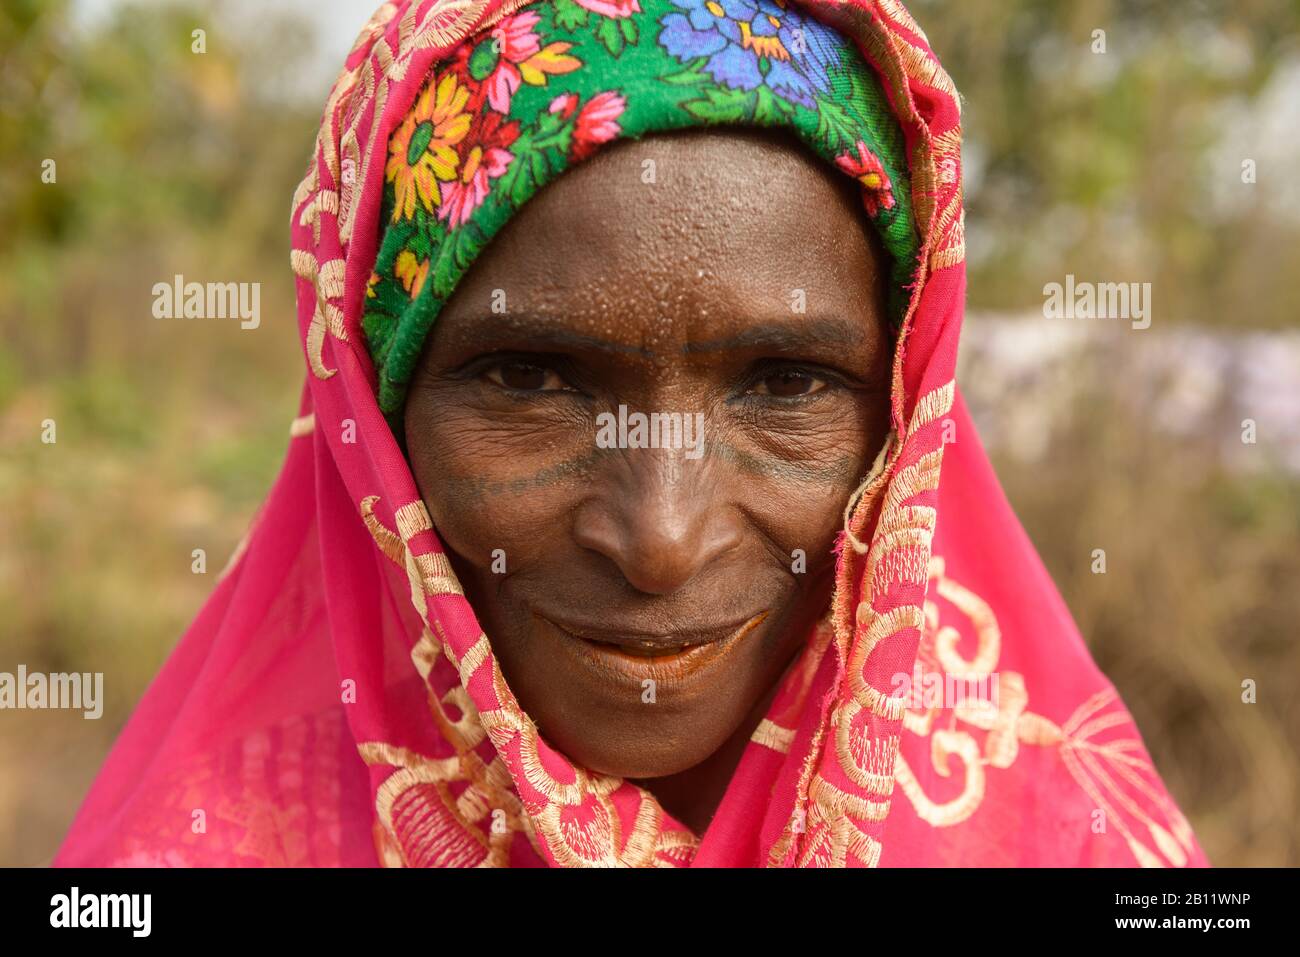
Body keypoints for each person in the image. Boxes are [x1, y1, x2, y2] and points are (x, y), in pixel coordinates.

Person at [56, 0, 1206, 867]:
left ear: (901, 423)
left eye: (785, 384)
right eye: (530, 376)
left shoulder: (1065, 835)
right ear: (376, 424)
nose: (659, 539)